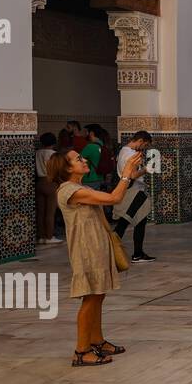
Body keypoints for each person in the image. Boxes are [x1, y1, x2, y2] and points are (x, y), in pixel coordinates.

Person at [49, 146, 142, 366]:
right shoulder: (69, 190)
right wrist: (126, 172)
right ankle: (81, 351)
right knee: (90, 298)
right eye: (78, 159)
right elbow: (114, 198)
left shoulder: (78, 186)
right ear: (66, 168)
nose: (84, 160)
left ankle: (97, 341)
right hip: (86, 250)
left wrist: (133, 174)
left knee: (98, 294)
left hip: (96, 247)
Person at [112, 131, 154, 262]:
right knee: (134, 221)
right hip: (134, 191)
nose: (144, 148)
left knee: (126, 222)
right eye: (145, 145)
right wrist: (146, 169)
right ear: (140, 140)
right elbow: (133, 175)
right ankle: (137, 254)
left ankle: (135, 253)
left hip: (128, 190)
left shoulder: (123, 150)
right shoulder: (132, 154)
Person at [35, 132, 63, 246]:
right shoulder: (53, 154)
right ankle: (49, 236)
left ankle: (41, 237)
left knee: (40, 212)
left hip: (39, 182)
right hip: (50, 183)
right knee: (50, 212)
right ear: (54, 142)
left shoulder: (37, 153)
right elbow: (56, 170)